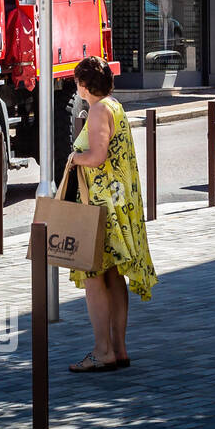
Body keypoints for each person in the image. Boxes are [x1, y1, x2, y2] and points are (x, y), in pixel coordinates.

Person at [64, 56, 158, 373]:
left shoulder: (98, 110)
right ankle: (118, 348)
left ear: (84, 84)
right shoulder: (114, 106)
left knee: (94, 278)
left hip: (101, 207)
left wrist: (76, 159)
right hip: (118, 205)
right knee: (114, 277)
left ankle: (102, 350)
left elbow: (97, 156)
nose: (76, 88)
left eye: (77, 82)